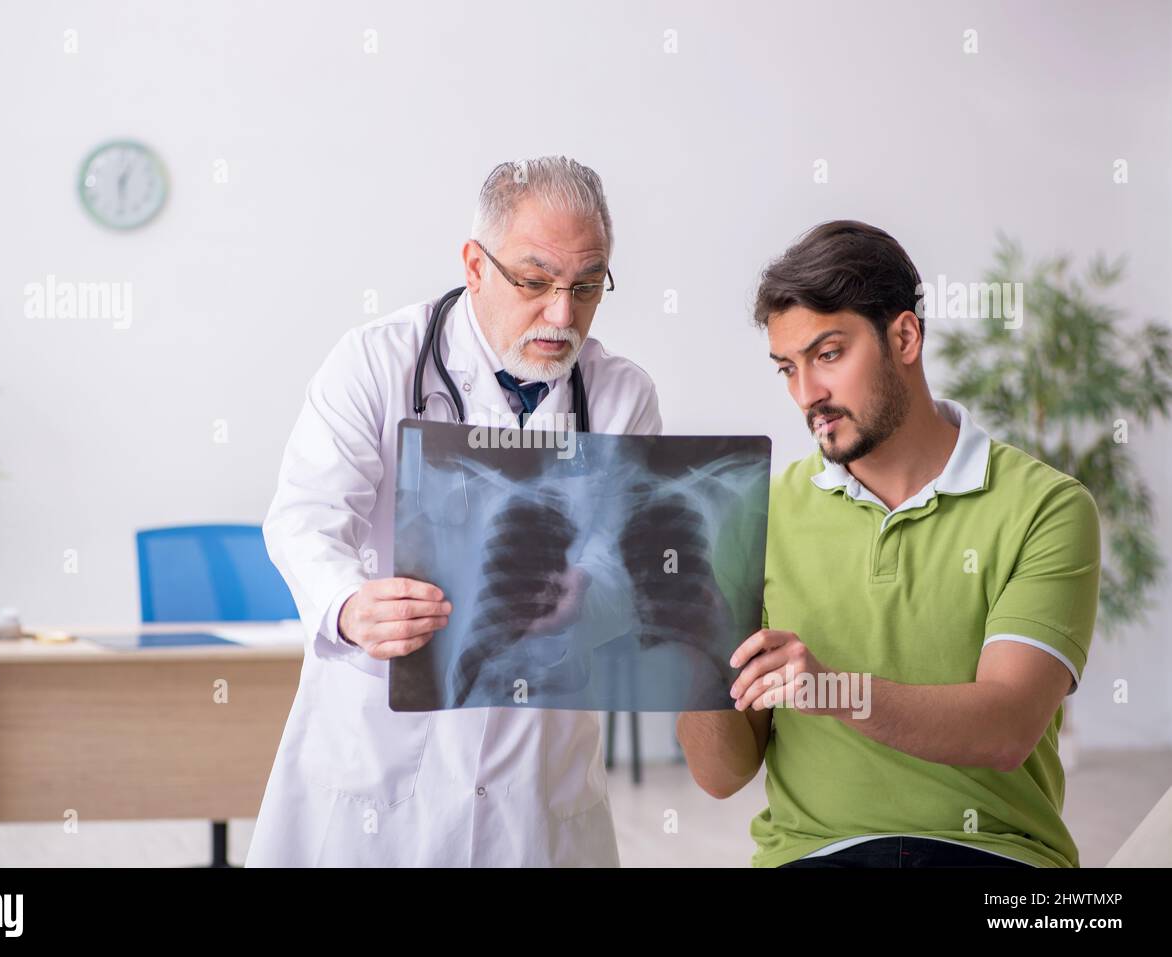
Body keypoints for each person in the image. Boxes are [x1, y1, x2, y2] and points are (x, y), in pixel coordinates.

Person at [245, 156, 660, 867]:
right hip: (379, 762)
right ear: (475, 264)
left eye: (586, 287)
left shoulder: (621, 395)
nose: (562, 315)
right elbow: (304, 519)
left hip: (539, 779)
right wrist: (348, 604)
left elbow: (631, 558)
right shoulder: (375, 362)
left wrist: (591, 594)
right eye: (534, 282)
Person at [677, 220, 1101, 868]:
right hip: (814, 855)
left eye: (828, 354)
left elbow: (1007, 725)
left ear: (904, 335)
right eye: (788, 368)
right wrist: (688, 646)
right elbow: (721, 774)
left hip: (994, 855)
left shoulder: (1046, 507)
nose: (806, 394)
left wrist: (831, 688)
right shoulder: (758, 516)